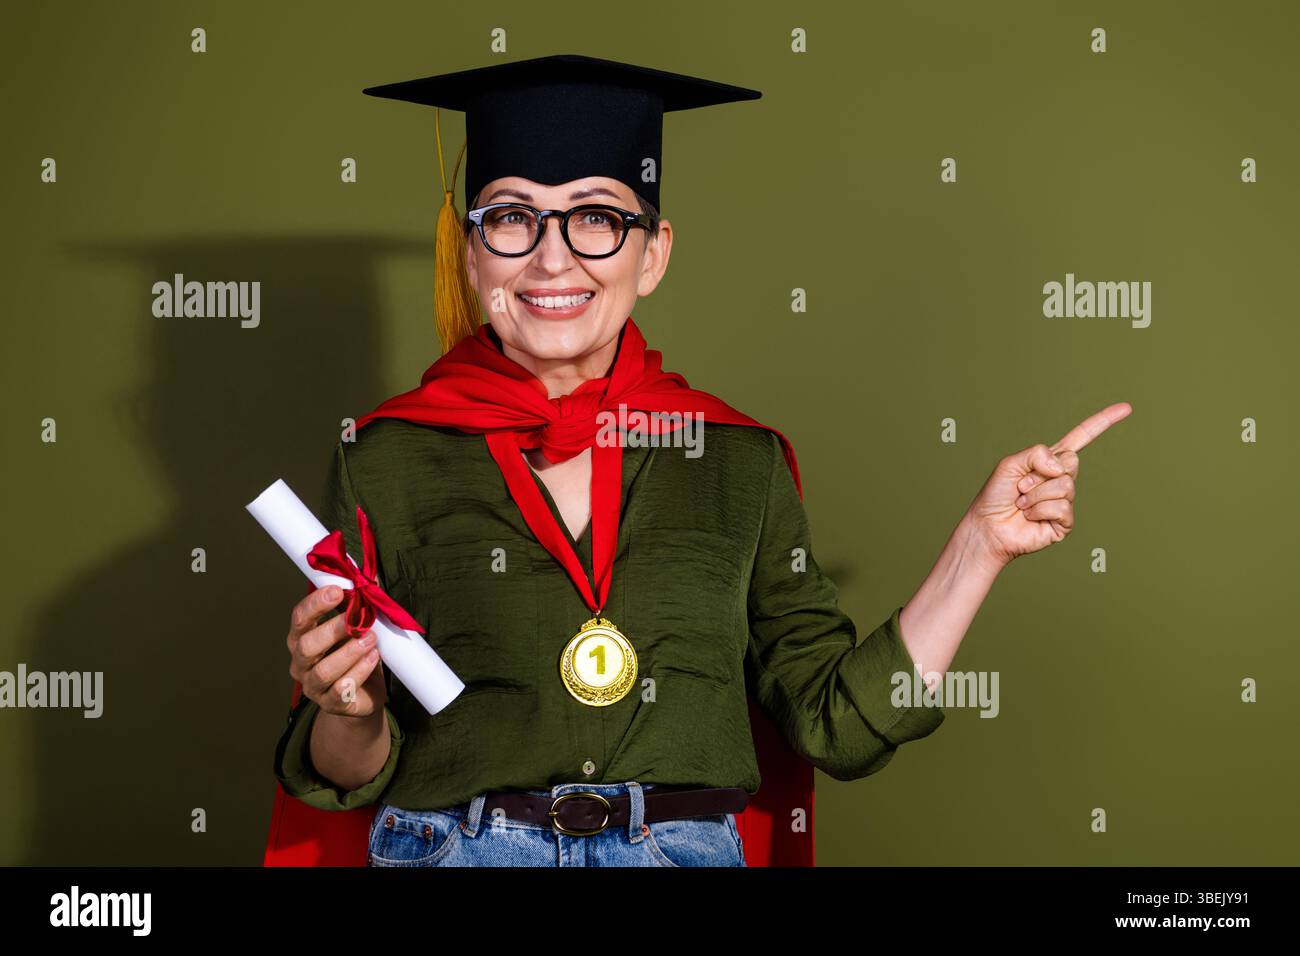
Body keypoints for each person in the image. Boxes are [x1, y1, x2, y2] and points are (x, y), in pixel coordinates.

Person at [270, 54, 1131, 868]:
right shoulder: (383, 457)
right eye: (510, 217)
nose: (552, 255)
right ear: (468, 250)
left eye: (598, 217)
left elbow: (841, 729)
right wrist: (349, 707)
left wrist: (977, 549)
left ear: (656, 252)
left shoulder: (736, 462)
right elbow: (346, 772)